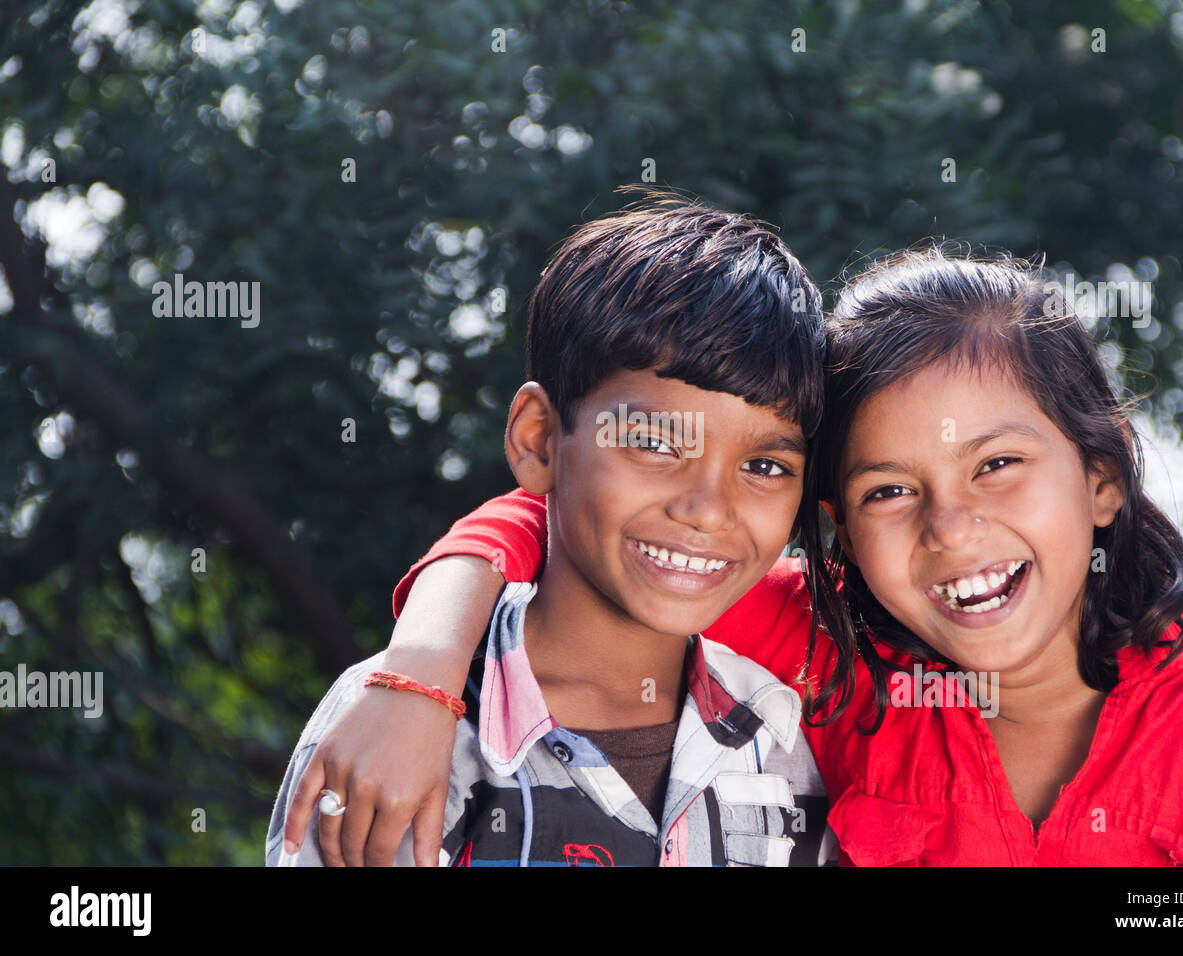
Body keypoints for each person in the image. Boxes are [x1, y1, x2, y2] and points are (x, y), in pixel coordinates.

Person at [285, 244, 1183, 866]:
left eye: (997, 464)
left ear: (1104, 475)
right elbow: (561, 532)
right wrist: (419, 666)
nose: (950, 527)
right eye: (888, 491)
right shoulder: (832, 662)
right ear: (838, 533)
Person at [267, 193, 834, 866]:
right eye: (654, 442)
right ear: (539, 440)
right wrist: (423, 671)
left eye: (765, 464)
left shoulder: (778, 733)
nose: (709, 509)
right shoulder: (407, 728)